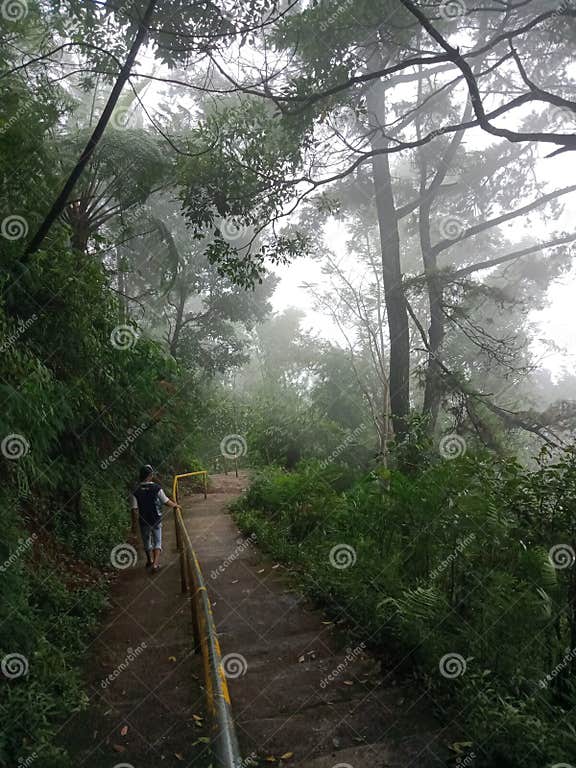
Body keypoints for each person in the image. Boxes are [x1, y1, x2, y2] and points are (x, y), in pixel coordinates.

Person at [131, 464, 179, 572]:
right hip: (155, 519)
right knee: (158, 541)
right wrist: (175, 505)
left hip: (143, 521)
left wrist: (134, 525)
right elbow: (166, 501)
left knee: (146, 541)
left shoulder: (136, 491)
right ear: (150, 475)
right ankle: (156, 564)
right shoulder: (157, 488)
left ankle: (150, 560)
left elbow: (134, 509)